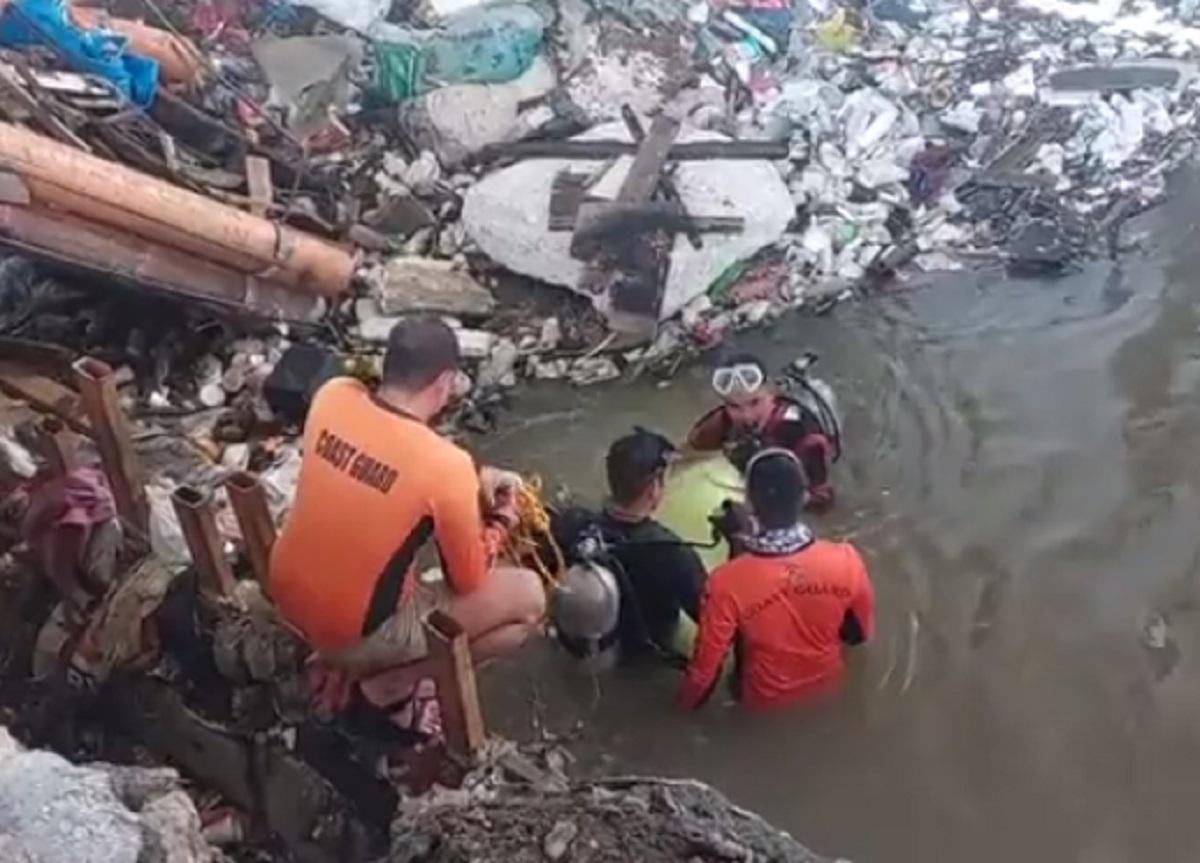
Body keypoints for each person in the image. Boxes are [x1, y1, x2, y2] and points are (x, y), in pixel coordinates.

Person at [269, 317, 546, 681]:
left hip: (285, 595)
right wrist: (503, 519)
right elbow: (468, 580)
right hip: (350, 636)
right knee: (529, 598)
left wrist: (476, 479)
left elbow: (386, 455)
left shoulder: (332, 396)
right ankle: (395, 684)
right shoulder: (447, 467)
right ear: (445, 382)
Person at [678, 449, 874, 711]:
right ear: (804, 497)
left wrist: (676, 714)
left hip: (760, 704)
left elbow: (704, 677)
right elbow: (858, 636)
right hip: (828, 690)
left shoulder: (725, 583)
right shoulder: (846, 560)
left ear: (749, 503)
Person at [555, 429, 706, 665]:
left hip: (591, 649)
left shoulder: (573, 525)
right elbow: (714, 621)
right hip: (645, 660)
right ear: (653, 489)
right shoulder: (673, 553)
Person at [686, 353, 837, 510]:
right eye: (734, 406)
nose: (746, 415)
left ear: (771, 393)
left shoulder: (803, 436)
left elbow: (822, 498)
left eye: (755, 402)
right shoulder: (722, 421)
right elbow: (688, 452)